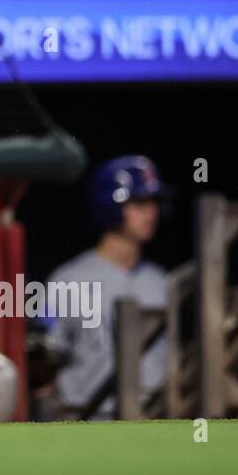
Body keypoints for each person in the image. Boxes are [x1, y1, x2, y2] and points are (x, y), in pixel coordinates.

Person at [42, 155, 170, 421]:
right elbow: (44, 362)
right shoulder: (67, 281)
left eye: (154, 203)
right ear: (110, 205)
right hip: (88, 420)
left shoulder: (163, 283)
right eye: (139, 203)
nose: (151, 213)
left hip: (158, 419)